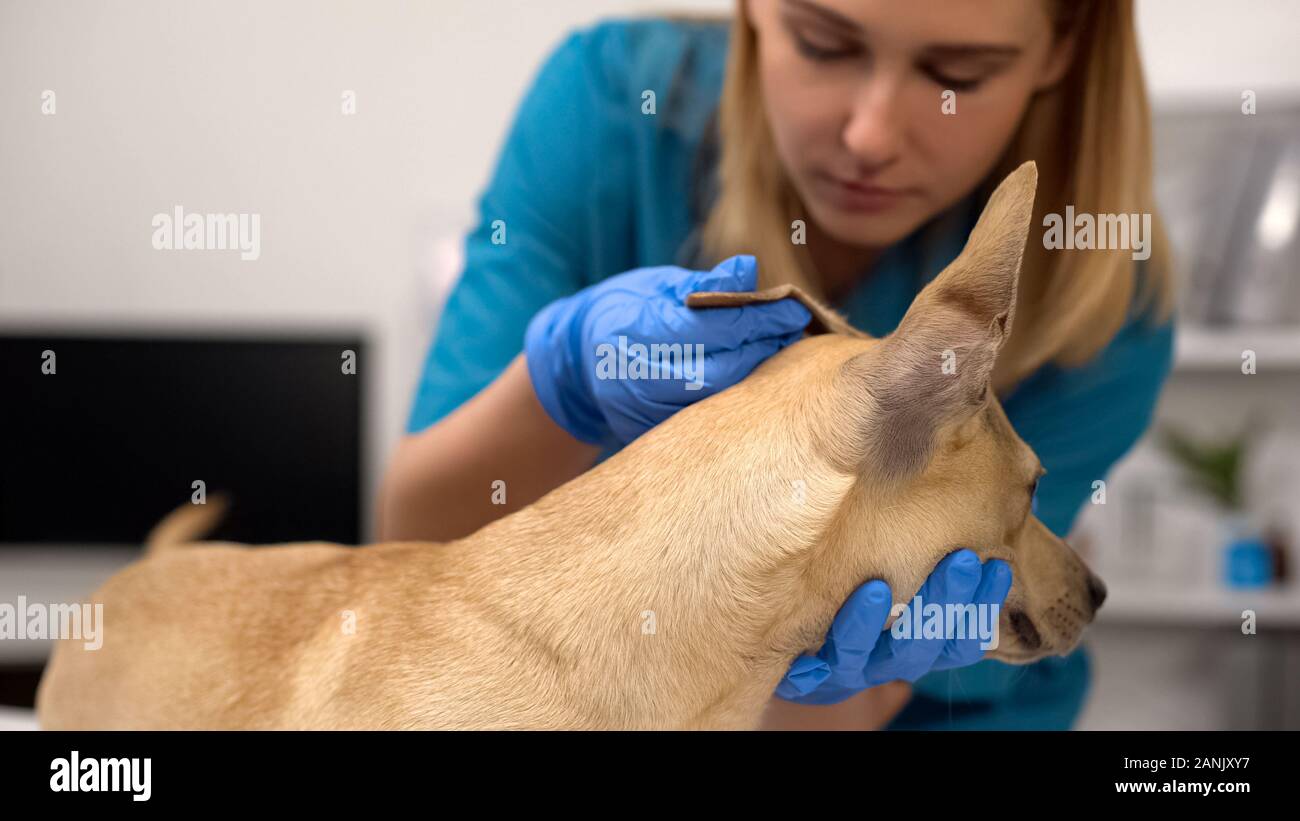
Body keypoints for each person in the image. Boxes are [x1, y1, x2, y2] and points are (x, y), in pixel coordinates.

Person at [380, 0, 1174, 730]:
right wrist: (562, 382)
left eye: (955, 75)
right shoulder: (611, 111)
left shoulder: (1101, 295)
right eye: (823, 43)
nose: (869, 134)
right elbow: (414, 569)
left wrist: (796, 669)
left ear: (1060, 48)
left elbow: (839, 710)